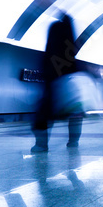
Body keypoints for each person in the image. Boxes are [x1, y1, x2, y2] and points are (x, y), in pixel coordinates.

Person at [32, 13, 85, 152]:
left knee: (44, 114)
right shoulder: (71, 53)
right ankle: (73, 142)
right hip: (69, 84)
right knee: (74, 113)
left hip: (53, 83)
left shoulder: (51, 51)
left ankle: (41, 144)